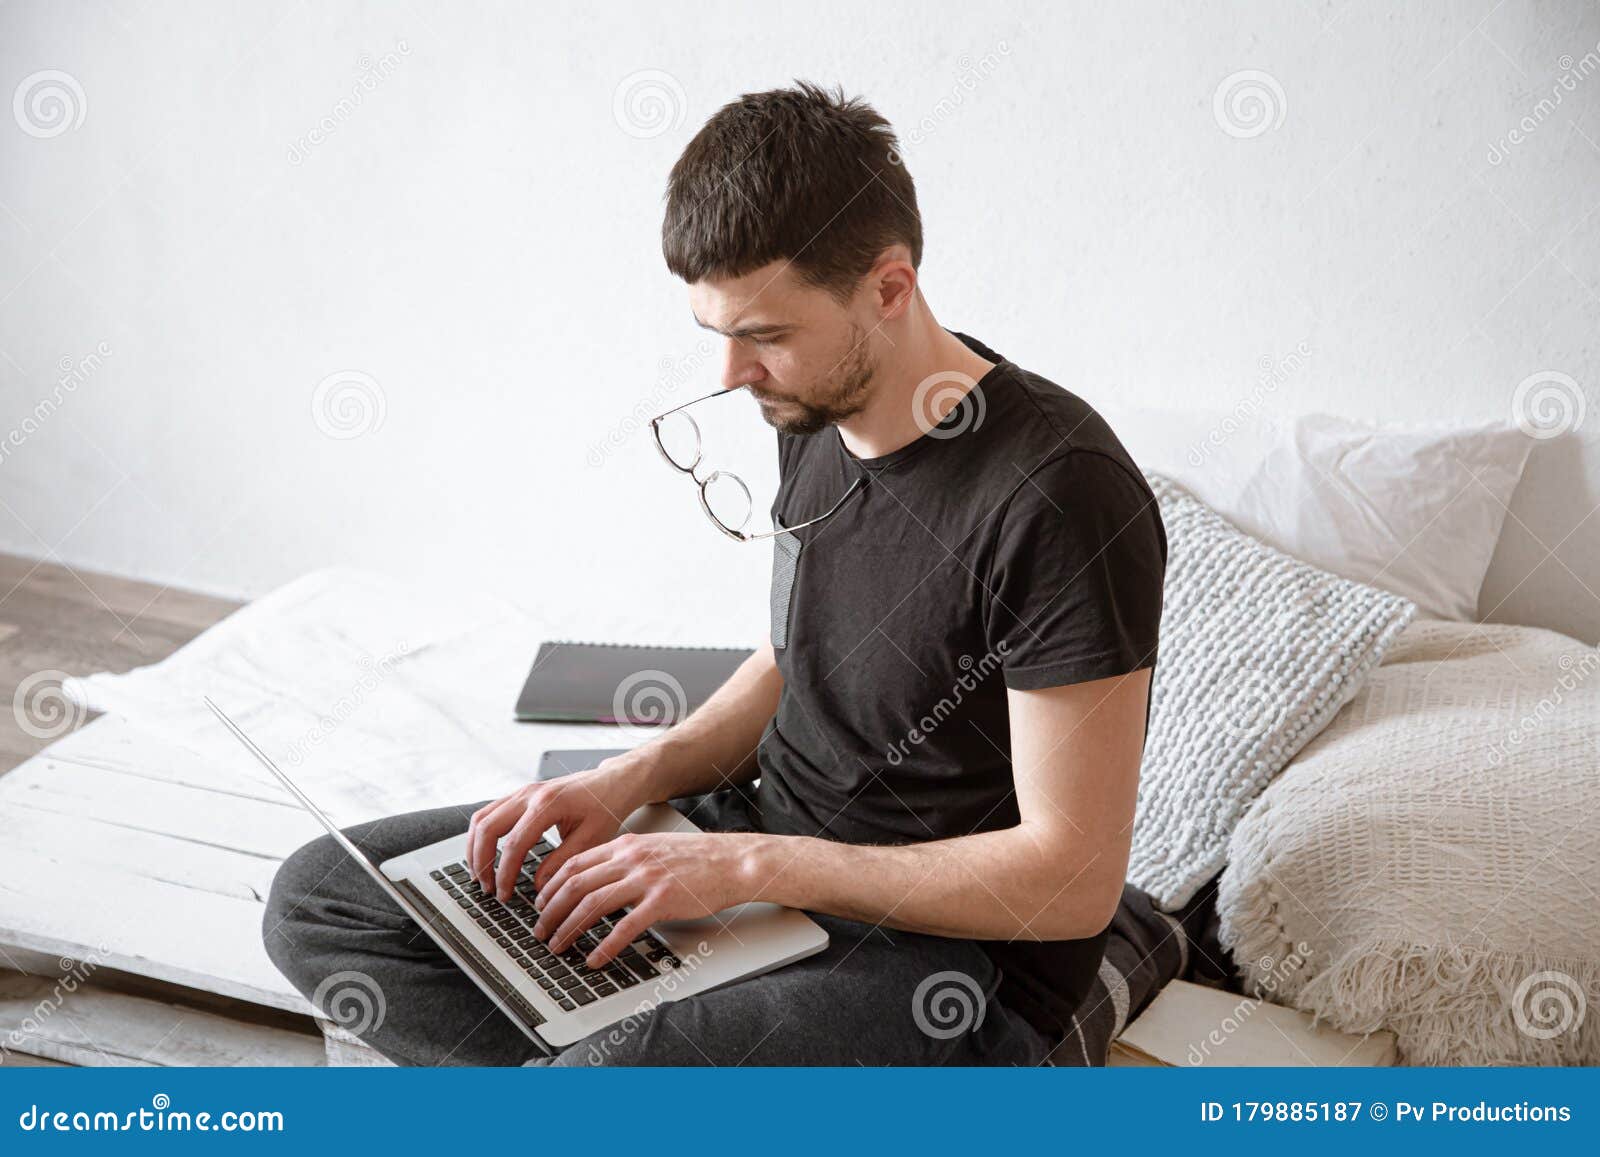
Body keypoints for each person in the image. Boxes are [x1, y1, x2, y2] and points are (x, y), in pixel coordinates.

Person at [264, 81, 1167, 1066]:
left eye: (766, 335)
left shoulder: (1061, 494)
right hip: (753, 854)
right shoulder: (814, 411)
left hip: (932, 962)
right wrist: (630, 778)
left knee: (605, 1072)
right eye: (721, 334)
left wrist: (747, 867)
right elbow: (793, 655)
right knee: (322, 899)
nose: (734, 373)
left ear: (889, 288)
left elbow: (1070, 879)